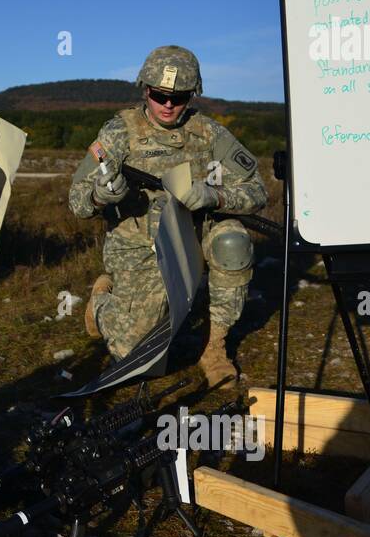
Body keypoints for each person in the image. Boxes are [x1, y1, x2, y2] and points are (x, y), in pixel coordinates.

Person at [67, 45, 267, 386]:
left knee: (232, 242)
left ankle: (213, 347)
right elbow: (77, 200)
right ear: (146, 90)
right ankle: (101, 302)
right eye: (160, 95)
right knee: (137, 360)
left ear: (193, 95)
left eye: (180, 96)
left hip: (194, 234)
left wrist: (215, 195)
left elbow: (257, 191)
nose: (169, 104)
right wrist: (100, 196)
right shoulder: (119, 132)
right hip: (140, 245)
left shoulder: (208, 133)